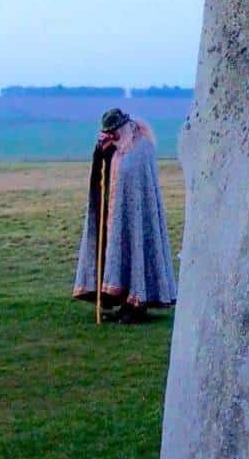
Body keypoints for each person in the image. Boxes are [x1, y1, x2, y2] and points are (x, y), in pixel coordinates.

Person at [73, 107, 177, 323]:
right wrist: (101, 152)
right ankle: (122, 301)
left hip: (135, 216)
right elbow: (105, 172)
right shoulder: (119, 147)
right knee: (118, 252)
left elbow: (131, 176)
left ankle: (137, 302)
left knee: (136, 248)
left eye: (115, 133)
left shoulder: (141, 148)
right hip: (115, 214)